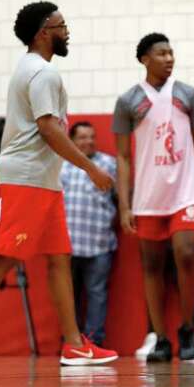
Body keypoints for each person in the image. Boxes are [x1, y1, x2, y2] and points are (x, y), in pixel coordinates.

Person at [0, 1, 118, 367]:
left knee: (59, 259)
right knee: (6, 255)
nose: (67, 32)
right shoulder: (42, 74)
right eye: (61, 26)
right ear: (43, 32)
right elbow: (49, 129)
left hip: (42, 179)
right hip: (27, 176)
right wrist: (90, 169)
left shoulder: (33, 68)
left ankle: (75, 343)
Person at [114, 33, 194, 363]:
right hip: (148, 196)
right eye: (162, 53)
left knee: (185, 254)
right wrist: (125, 204)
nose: (169, 58)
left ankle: (189, 329)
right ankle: (160, 337)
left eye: (172, 52)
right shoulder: (128, 101)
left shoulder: (189, 95)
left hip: (186, 191)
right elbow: (122, 158)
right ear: (145, 59)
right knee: (152, 266)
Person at [60, 121, 119, 347]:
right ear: (72, 141)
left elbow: (120, 198)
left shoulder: (109, 164)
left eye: (92, 137)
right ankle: (72, 343)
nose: (89, 141)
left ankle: (94, 343)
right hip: (67, 244)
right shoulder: (61, 165)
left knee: (97, 294)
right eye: (83, 137)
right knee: (68, 296)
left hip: (100, 243)